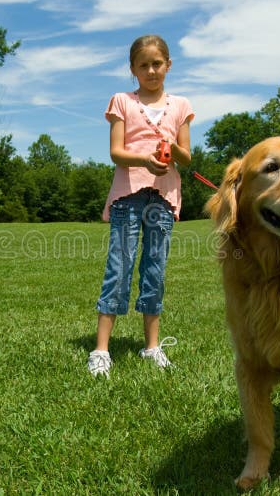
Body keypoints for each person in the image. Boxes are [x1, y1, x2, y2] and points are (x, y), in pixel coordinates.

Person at [87, 35, 194, 378]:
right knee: (119, 268)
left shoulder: (180, 106)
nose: (151, 70)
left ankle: (151, 347)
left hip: (162, 198)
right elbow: (116, 152)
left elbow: (187, 157)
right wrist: (145, 161)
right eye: (143, 65)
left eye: (157, 64)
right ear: (132, 69)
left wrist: (172, 149)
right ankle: (101, 350)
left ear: (168, 65)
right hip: (128, 195)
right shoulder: (122, 101)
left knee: (155, 270)